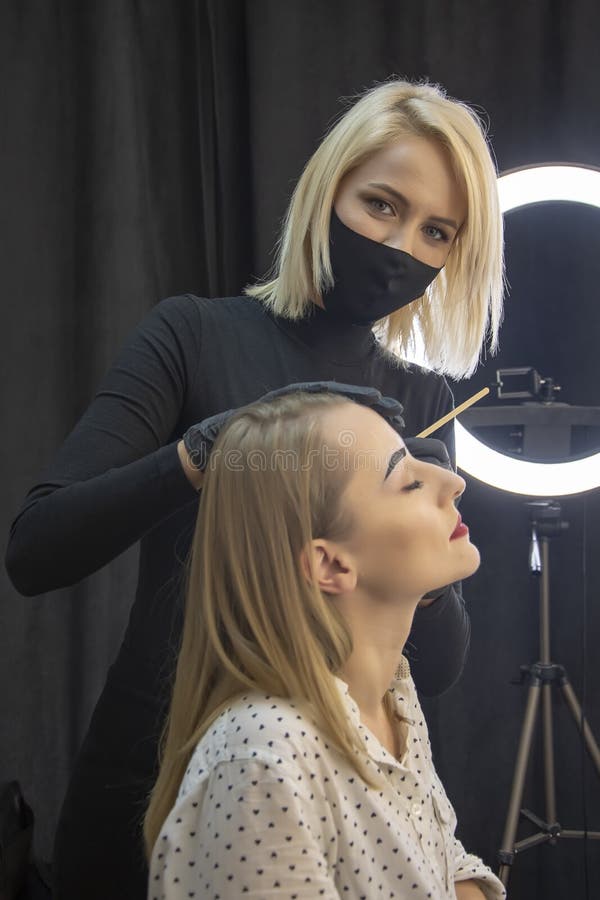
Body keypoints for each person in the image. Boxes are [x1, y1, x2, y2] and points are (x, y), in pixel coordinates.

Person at [5, 78, 503, 899]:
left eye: (437, 231)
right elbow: (37, 548)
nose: (402, 246)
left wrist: (414, 516)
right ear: (327, 188)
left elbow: (437, 666)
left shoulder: (420, 406)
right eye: (382, 205)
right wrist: (205, 452)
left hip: (327, 796)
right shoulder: (192, 337)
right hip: (147, 770)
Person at [145, 386, 506, 899]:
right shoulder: (263, 760)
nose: (452, 482)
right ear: (330, 563)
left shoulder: (390, 699)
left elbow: (443, 864)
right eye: (407, 482)